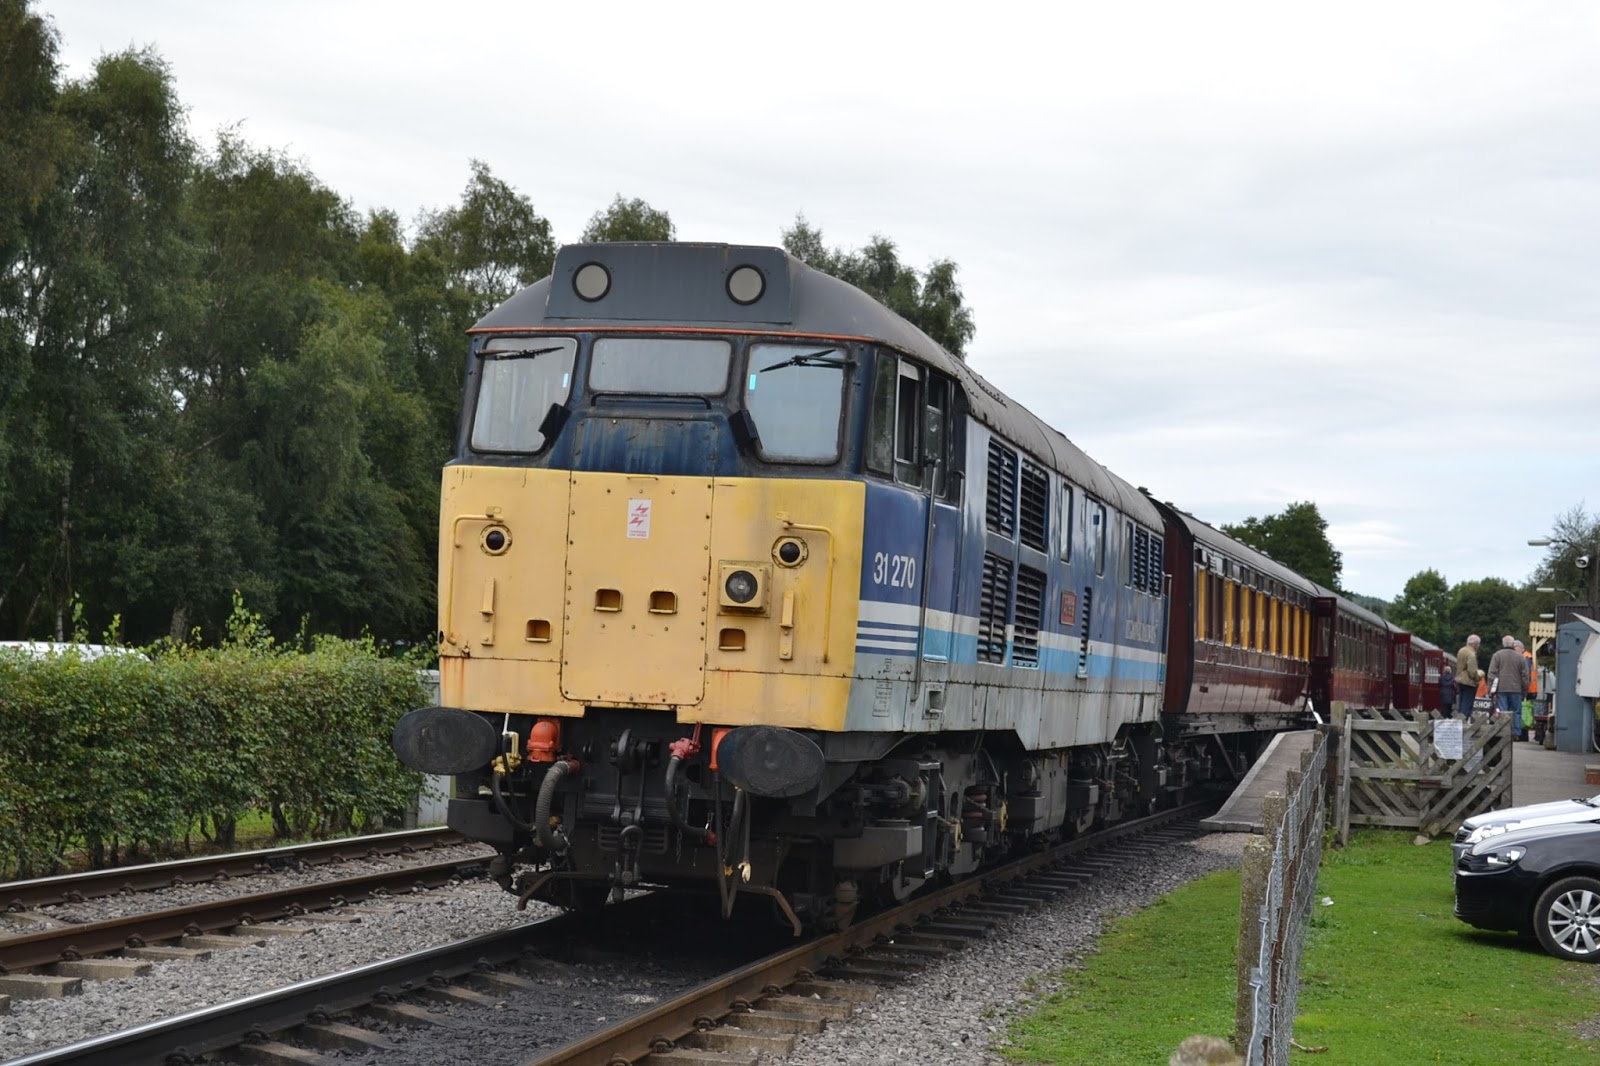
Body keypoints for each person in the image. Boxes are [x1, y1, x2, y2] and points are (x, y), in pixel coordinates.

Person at [1486, 634, 1531, 740]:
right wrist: (1525, 689)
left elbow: (1491, 673)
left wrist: (1490, 689)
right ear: (1513, 644)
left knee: (1503, 711)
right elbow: (1525, 675)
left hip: (1501, 688)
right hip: (1516, 689)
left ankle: (1504, 732)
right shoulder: (1520, 657)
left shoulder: (1497, 655)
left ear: (1503, 644)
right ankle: (1516, 734)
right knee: (1516, 712)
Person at [1454, 635, 1483, 718]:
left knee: (1461, 703)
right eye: (1478, 644)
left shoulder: (1461, 651)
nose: (1479, 646)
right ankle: (1464, 722)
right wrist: (1478, 677)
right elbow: (1472, 671)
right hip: (1469, 682)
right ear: (1475, 644)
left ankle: (1459, 720)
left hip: (1460, 680)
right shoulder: (1471, 654)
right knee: (1467, 705)